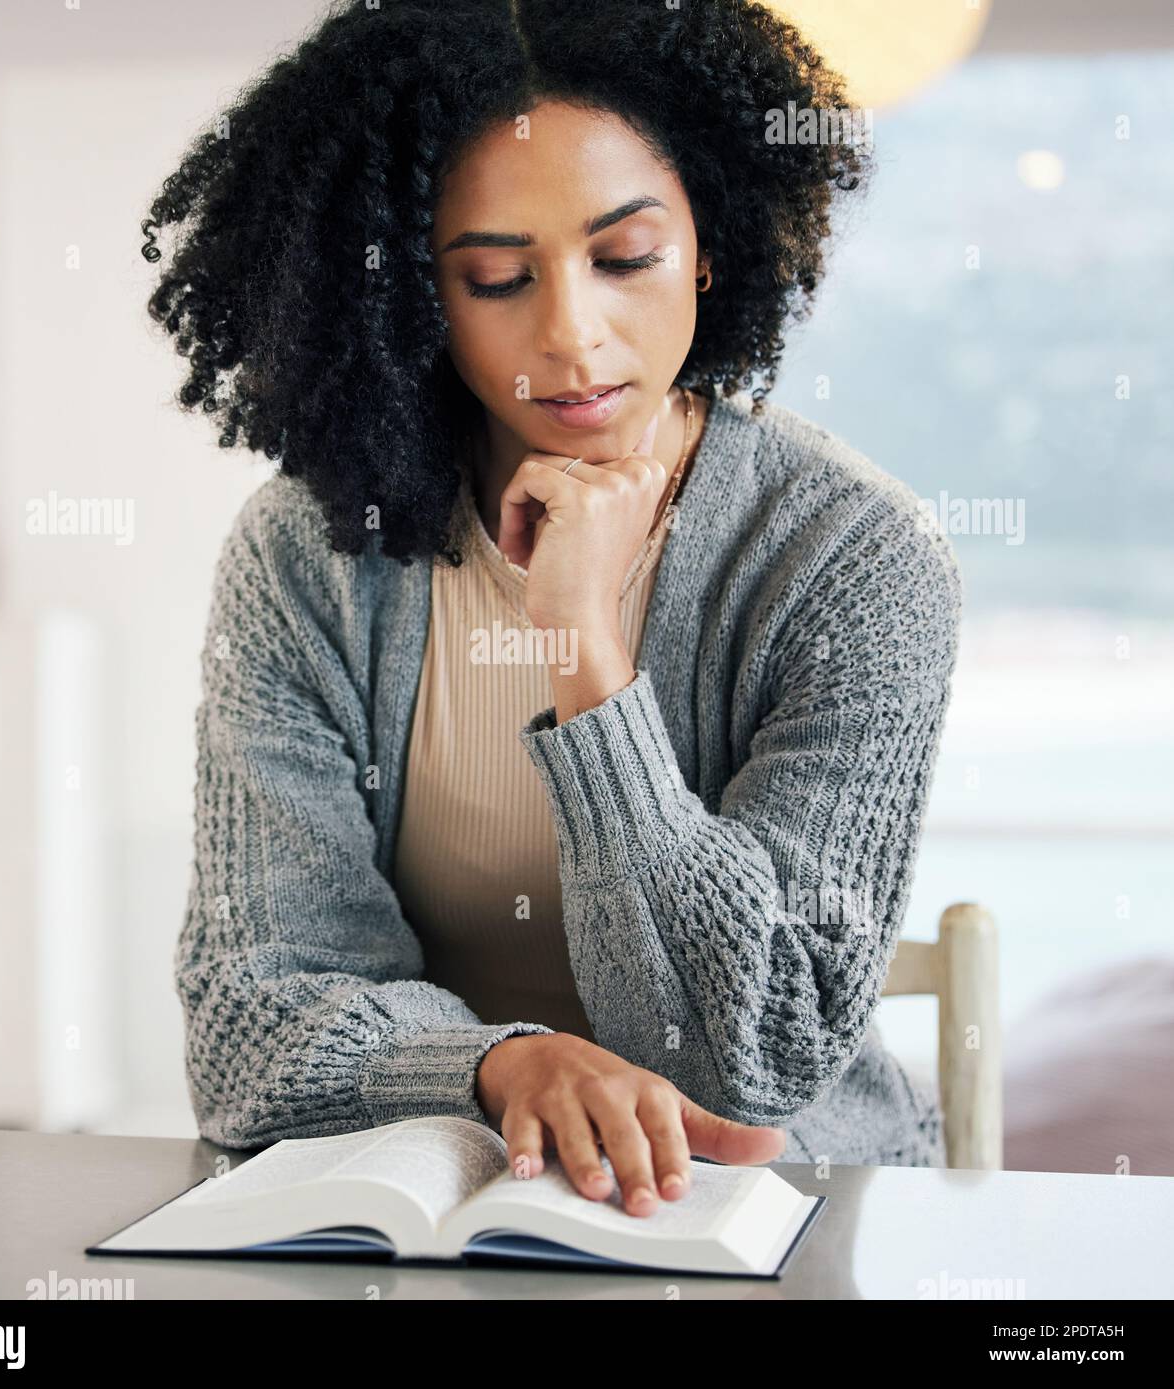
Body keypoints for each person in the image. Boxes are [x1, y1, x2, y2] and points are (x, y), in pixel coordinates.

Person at [141, 0, 961, 1219]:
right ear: (415, 298)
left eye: (625, 258)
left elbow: (757, 1058)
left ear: (711, 243)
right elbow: (254, 1019)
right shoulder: (309, 556)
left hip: (785, 1215)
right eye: (496, 278)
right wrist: (499, 1062)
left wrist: (585, 657)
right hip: (445, 1196)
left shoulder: (852, 558)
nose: (572, 336)